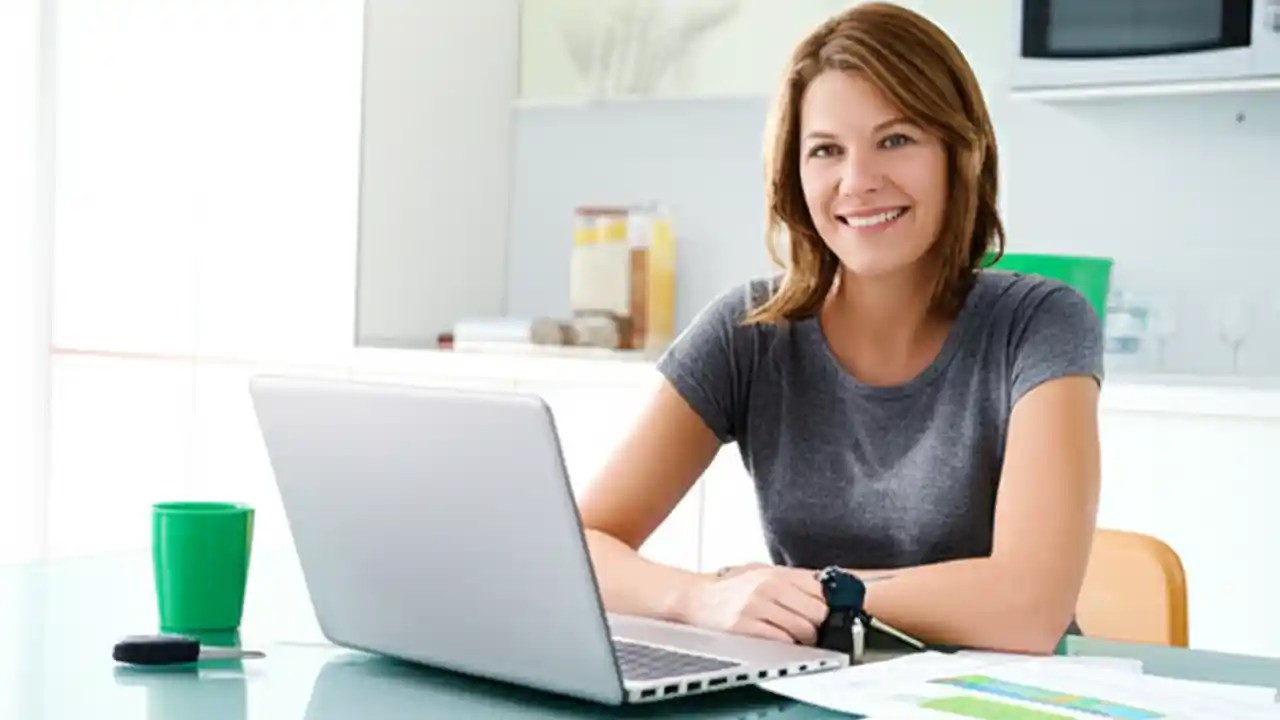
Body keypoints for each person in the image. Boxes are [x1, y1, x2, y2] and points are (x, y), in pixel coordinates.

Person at [578, 2, 1102, 655]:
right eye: (826, 150)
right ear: (794, 176)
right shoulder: (748, 333)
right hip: (818, 687)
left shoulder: (1039, 324)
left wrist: (817, 593)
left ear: (960, 153)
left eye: (896, 140)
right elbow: (576, 548)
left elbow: (1027, 609)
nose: (858, 182)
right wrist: (697, 597)